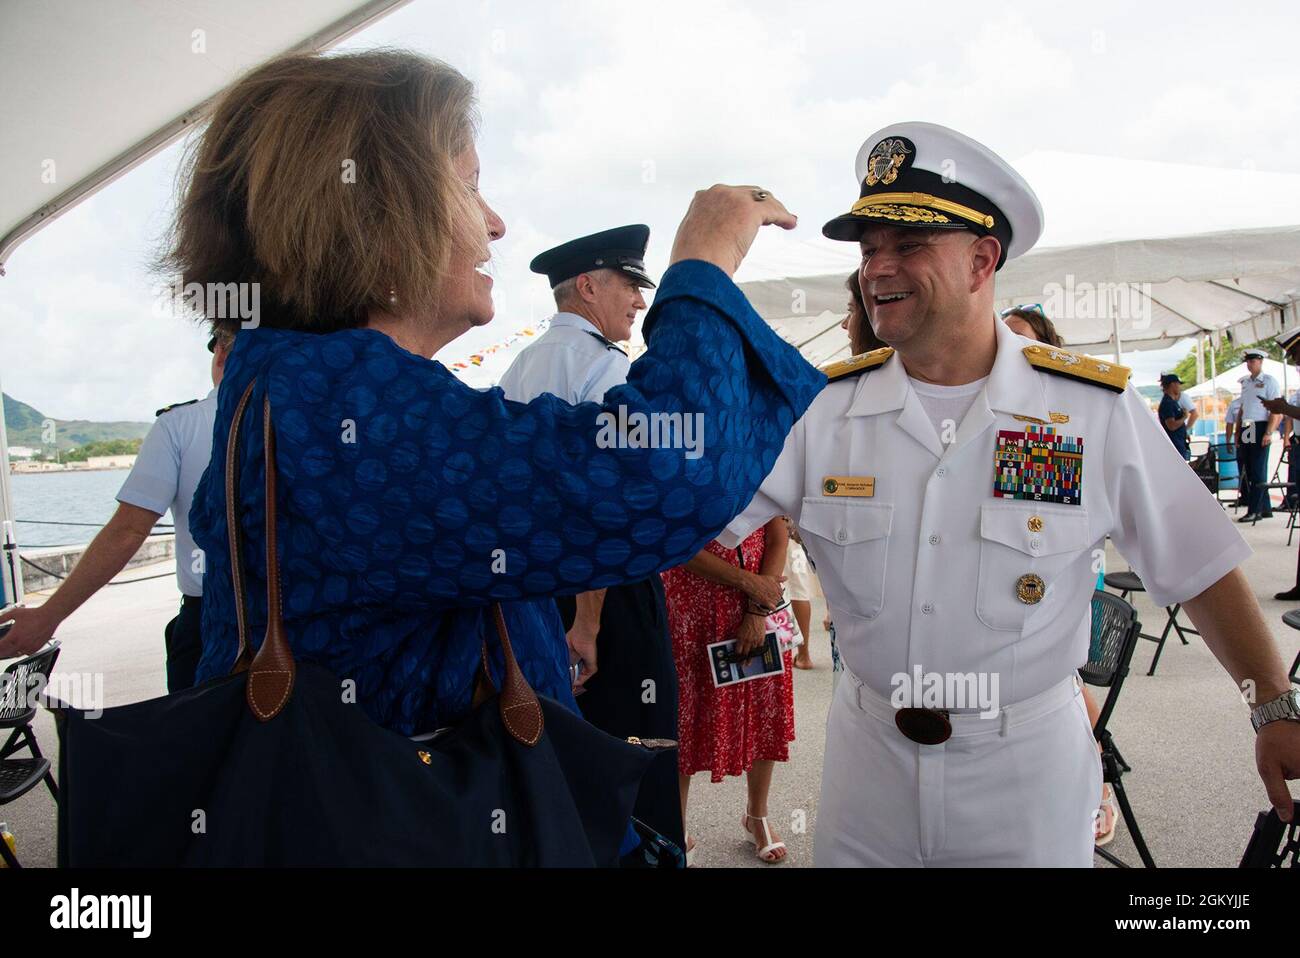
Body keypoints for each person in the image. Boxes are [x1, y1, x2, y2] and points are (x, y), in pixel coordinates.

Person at [0, 52, 826, 746]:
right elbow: (658, 476)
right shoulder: (348, 412)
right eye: (470, 187)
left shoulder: (293, 380)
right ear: (378, 214)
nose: (495, 225)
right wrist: (702, 271)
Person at [722, 120, 1300, 866]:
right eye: (869, 249)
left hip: (1023, 773)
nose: (878, 269)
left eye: (908, 245)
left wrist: (1272, 704)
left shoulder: (1090, 409)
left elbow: (1198, 563)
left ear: (981, 260)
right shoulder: (819, 409)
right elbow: (684, 514)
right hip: (869, 770)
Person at [498, 225, 682, 848]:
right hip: (603, 597)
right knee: (639, 748)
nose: (638, 301)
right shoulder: (603, 369)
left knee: (559, 755)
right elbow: (610, 510)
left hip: (533, 593)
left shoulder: (520, 367)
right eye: (631, 286)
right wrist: (589, 623)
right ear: (587, 286)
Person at [0, 332, 233, 690]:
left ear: (219, 353)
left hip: (210, 623)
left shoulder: (180, 425)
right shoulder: (309, 422)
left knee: (200, 740)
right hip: (307, 621)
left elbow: (128, 531)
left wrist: (49, 615)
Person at [663, 520, 795, 864]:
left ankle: (758, 815)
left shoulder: (764, 467)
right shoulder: (683, 466)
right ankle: (676, 826)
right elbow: (677, 540)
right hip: (691, 608)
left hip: (759, 605)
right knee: (683, 716)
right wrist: (750, 583)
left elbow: (777, 532)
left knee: (765, 711)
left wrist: (757, 606)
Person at [1237, 347, 1281, 523]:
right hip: (1248, 426)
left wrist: (1269, 432)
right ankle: (1265, 508)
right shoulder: (1246, 383)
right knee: (1249, 467)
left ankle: (1254, 509)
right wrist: (1238, 430)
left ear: (1261, 362)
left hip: (1261, 425)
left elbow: (1276, 410)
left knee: (1258, 468)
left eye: (1253, 361)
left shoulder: (1269, 381)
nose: (1249, 364)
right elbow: (1242, 408)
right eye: (1248, 361)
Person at [1158, 373, 1192, 460]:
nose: (1179, 387)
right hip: (1175, 445)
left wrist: (1184, 432)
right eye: (1178, 384)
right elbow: (1171, 426)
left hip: (1179, 442)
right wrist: (1184, 417)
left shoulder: (1173, 402)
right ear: (1173, 384)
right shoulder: (1168, 403)